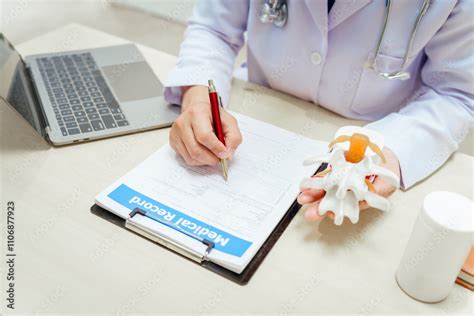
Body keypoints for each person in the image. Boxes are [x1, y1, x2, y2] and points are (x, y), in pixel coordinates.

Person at [163, 0, 473, 221]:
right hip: (255, 116)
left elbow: (455, 93)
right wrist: (198, 97)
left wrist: (389, 152)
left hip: (373, 136)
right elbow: (214, 28)